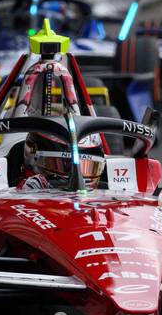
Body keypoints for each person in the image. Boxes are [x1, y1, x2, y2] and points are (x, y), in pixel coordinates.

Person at [13, 20, 106, 192]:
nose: (77, 178)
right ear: (34, 158)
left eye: (89, 167)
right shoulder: (29, 186)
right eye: (61, 165)